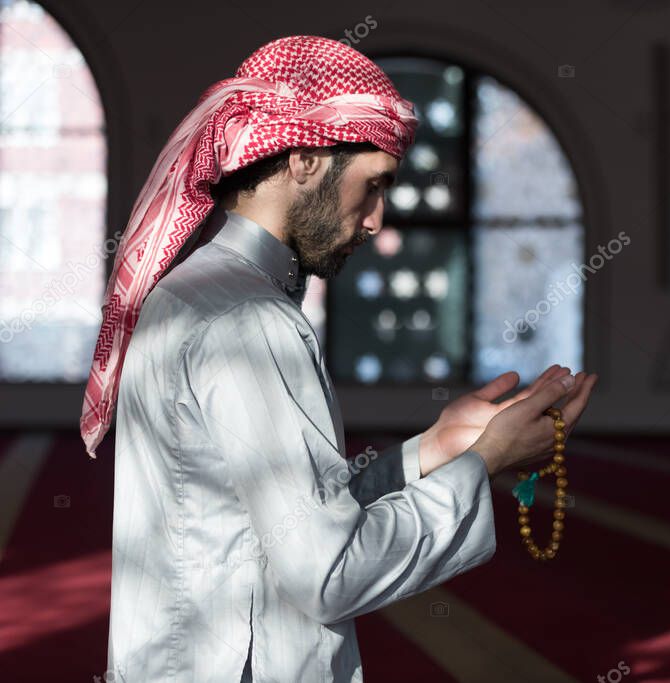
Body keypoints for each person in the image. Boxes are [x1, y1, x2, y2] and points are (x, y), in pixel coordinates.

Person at [84, 35, 598, 682]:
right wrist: (486, 460)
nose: (378, 219)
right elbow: (328, 572)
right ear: (303, 160)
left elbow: (282, 526)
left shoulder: (190, 291)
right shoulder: (253, 322)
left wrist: (434, 450)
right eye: (373, 186)